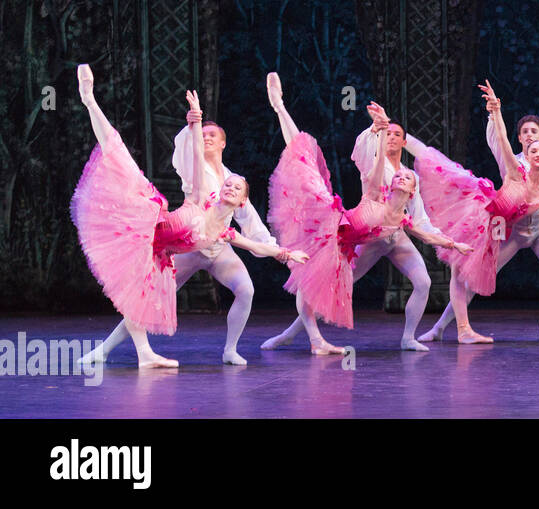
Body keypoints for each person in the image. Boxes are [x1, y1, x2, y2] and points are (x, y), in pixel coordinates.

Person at [71, 65, 306, 368]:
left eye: (213, 135)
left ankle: (227, 350)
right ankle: (90, 99)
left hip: (207, 246)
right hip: (170, 240)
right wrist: (194, 122)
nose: (207, 138)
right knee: (119, 157)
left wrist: (283, 252)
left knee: (245, 289)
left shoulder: (233, 191)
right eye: (205, 135)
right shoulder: (200, 186)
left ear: (224, 143)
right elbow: (190, 152)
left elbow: (253, 233)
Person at [263, 72, 471, 355]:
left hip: (394, 236)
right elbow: (364, 158)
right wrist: (378, 129)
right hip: (360, 240)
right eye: (390, 134)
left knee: (423, 282)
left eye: (398, 134)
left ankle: (408, 337)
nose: (393, 137)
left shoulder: (409, 179)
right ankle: (279, 107)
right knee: (304, 164)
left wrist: (454, 243)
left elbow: (421, 224)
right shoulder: (374, 169)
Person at [414, 80, 539, 343]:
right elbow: (498, 141)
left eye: (535, 131)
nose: (530, 135)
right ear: (521, 138)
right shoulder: (512, 163)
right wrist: (495, 111)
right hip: (510, 231)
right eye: (525, 132)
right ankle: (440, 328)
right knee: (473, 280)